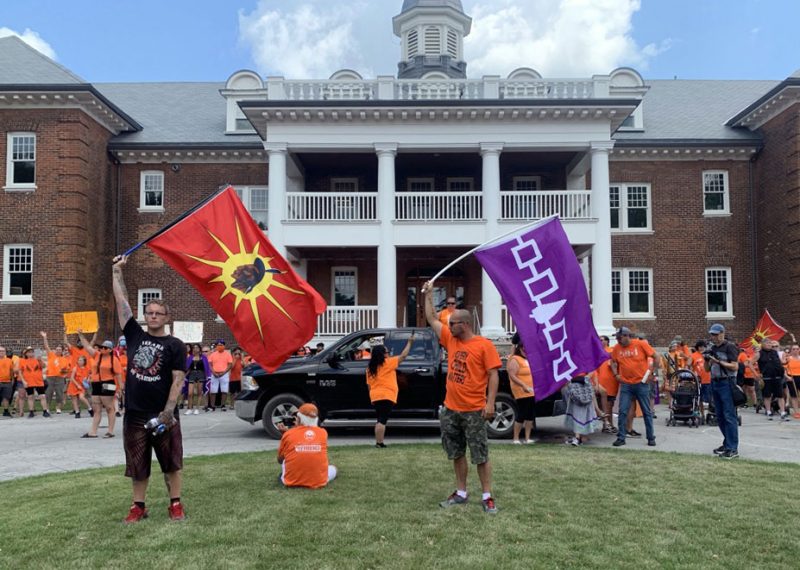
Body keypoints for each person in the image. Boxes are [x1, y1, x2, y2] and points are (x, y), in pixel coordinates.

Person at [112, 254, 188, 523]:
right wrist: (117, 272)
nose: (153, 316)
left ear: (167, 317)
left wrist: (169, 412)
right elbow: (121, 303)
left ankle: (175, 504)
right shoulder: (135, 334)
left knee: (171, 463)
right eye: (150, 312)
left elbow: (178, 379)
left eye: (158, 313)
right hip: (135, 413)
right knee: (137, 465)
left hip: (163, 414)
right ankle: (138, 506)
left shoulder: (176, 345)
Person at [423, 280, 501, 514]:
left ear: (464, 325)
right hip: (451, 408)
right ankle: (461, 492)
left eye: (453, 323)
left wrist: (489, 404)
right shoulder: (451, 338)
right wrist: (428, 294)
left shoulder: (483, 345)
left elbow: (493, 375)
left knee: (480, 454)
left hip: (474, 409)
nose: (449, 325)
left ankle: (487, 496)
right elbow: (432, 319)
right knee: (456, 452)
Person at [365, 334, 415, 448]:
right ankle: (379, 443)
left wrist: (372, 396)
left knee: (379, 419)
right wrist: (410, 342)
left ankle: (378, 442)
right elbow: (403, 355)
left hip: (375, 395)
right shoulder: (387, 363)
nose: (388, 354)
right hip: (387, 395)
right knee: (382, 420)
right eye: (387, 353)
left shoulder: (369, 368)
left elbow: (368, 385)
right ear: (382, 355)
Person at [610, 326, 656, 447]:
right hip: (626, 384)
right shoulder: (617, 348)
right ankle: (621, 437)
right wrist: (616, 374)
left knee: (646, 411)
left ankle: (651, 437)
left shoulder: (640, 344)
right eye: (617, 338)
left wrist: (651, 373)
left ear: (627, 336)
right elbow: (613, 362)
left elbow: (656, 357)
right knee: (623, 410)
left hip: (641, 383)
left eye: (620, 338)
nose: (618, 340)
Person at [277, 403, 337, 488]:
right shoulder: (323, 433)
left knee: (285, 461)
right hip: (319, 481)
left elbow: (280, 460)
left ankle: (289, 477)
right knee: (333, 468)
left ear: (299, 418)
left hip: (291, 481)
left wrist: (286, 434)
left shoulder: (288, 433)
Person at [705, 324, 741, 459]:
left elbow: (734, 366)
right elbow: (707, 369)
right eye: (712, 335)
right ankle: (727, 443)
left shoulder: (729, 347)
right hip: (715, 382)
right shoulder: (712, 348)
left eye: (715, 334)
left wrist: (718, 362)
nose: (713, 337)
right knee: (719, 416)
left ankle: (733, 448)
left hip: (727, 382)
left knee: (729, 415)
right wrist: (707, 360)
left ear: (722, 333)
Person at [79, 336, 122, 438]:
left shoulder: (114, 359)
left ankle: (110, 431)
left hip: (108, 383)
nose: (103, 349)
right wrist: (81, 335)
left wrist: (120, 387)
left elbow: (118, 374)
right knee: (96, 409)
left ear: (110, 350)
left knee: (109, 408)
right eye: (102, 347)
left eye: (105, 348)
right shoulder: (97, 355)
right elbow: (87, 347)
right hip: (96, 383)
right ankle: (93, 432)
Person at [507, 332, 535, 444]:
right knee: (522, 414)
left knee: (530, 415)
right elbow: (512, 375)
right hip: (522, 391)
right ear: (521, 348)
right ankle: (516, 438)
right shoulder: (515, 359)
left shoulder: (527, 359)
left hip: (531, 391)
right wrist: (523, 385)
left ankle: (528, 438)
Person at [756, 337, 789, 421]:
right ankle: (768, 411)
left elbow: (780, 362)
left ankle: (782, 412)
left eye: (770, 343)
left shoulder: (775, 353)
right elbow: (750, 363)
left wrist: (786, 362)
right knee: (767, 395)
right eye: (768, 343)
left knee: (780, 395)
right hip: (766, 377)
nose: (769, 345)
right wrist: (757, 374)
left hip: (777, 376)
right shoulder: (759, 353)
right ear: (763, 344)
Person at [563, 374, 601, 446]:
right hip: (575, 389)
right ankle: (578, 438)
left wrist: (584, 378)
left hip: (585, 388)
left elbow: (592, 371)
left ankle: (578, 438)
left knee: (580, 414)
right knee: (576, 414)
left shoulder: (586, 364)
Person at [40, 331, 71, 414]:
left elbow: (67, 370)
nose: (58, 351)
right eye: (57, 349)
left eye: (60, 350)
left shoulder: (65, 359)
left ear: (62, 351)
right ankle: (47, 408)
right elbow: (46, 347)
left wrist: (63, 371)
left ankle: (58, 408)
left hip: (60, 378)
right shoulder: (51, 355)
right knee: (48, 393)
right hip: (50, 377)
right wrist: (45, 337)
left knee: (59, 393)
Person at [593, 335, 617, 433]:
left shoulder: (611, 351)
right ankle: (607, 424)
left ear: (607, 341)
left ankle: (609, 424)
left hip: (611, 383)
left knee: (609, 405)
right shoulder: (596, 352)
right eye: (599, 340)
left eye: (602, 340)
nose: (600, 341)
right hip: (600, 383)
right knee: (605, 405)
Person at [18, 347, 48, 418]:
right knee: (30, 396)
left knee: (42, 396)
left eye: (32, 352)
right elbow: (20, 372)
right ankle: (31, 412)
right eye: (29, 352)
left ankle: (45, 411)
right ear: (26, 354)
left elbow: (44, 366)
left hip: (38, 381)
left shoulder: (38, 359)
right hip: (29, 382)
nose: (31, 353)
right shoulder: (22, 361)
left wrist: (40, 360)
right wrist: (23, 381)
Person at [207, 339, 233, 412]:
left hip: (224, 374)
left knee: (224, 391)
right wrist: (213, 372)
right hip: (214, 374)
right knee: (213, 391)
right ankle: (212, 406)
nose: (219, 346)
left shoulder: (227, 354)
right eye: (218, 345)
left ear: (224, 346)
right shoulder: (213, 354)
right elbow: (210, 364)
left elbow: (230, 364)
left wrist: (224, 372)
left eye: (221, 345)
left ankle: (223, 405)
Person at [184, 344, 210, 415]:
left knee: (199, 392)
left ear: (199, 349)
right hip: (192, 374)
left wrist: (207, 375)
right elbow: (188, 368)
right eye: (194, 348)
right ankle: (189, 409)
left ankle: (197, 408)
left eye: (197, 347)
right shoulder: (190, 358)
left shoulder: (203, 357)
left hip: (201, 374)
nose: (195, 349)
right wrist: (184, 376)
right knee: (190, 393)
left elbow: (206, 367)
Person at [690, 340, 712, 419]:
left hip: (708, 379)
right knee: (699, 398)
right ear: (697, 347)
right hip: (698, 380)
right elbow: (688, 364)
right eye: (700, 347)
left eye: (703, 346)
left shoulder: (708, 355)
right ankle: (702, 414)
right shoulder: (694, 355)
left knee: (710, 399)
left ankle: (709, 414)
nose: (701, 348)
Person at [783, 344, 800, 419]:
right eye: (793, 349)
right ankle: (796, 412)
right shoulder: (788, 358)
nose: (795, 350)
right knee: (794, 395)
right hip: (791, 377)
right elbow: (783, 370)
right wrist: (787, 377)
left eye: (797, 349)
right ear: (791, 350)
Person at [0, 346, 17, 417]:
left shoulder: (9, 360)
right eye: (0, 351)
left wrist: (12, 380)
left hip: (7, 382)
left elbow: (11, 371)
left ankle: (6, 411)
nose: (1, 352)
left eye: (3, 351)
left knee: (6, 397)